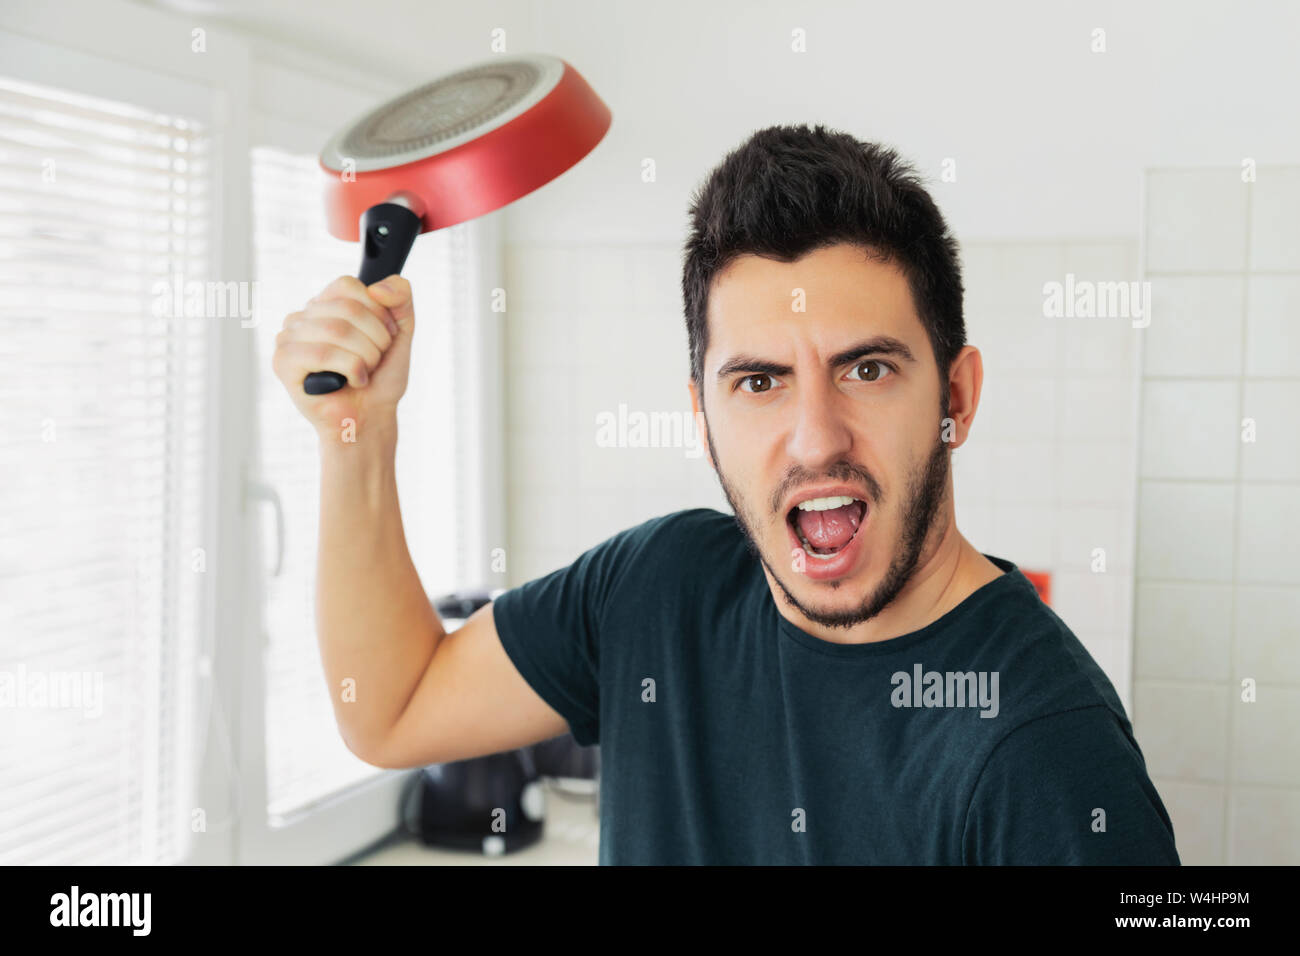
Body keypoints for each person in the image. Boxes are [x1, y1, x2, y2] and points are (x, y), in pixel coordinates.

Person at [271, 123, 1180, 865]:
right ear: (701, 419)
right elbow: (389, 707)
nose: (817, 437)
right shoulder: (655, 591)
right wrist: (358, 436)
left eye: (865, 368)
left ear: (955, 398)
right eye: (759, 381)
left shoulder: (1047, 751)